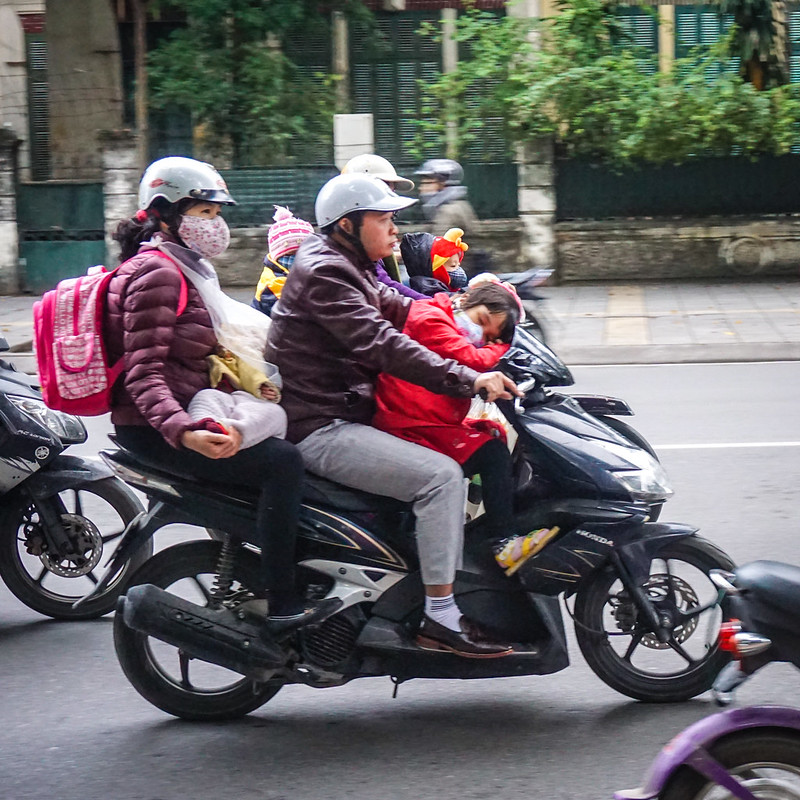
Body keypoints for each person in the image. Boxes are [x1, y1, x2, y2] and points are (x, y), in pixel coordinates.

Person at [265, 172, 521, 658]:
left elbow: (403, 310)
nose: (393, 230)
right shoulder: (325, 272)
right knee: (442, 478)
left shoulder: (349, 265)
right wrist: (468, 378)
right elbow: (382, 344)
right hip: (321, 424)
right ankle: (440, 618)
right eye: (382, 219)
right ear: (347, 223)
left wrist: (461, 318)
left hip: (346, 409)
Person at [106, 155, 338, 631]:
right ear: (167, 215)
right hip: (155, 426)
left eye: (217, 214)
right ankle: (284, 600)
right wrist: (185, 432)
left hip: (181, 404)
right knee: (283, 463)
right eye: (205, 214)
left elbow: (195, 351)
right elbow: (143, 373)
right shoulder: (159, 274)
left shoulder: (182, 267)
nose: (217, 225)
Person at [341, 153, 426, 300]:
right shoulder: (344, 256)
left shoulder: (365, 242)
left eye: (391, 192)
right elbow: (386, 288)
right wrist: (443, 306)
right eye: (381, 190)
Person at [252, 205, 314, 316]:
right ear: (277, 256)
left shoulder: (299, 274)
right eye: (290, 254)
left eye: (303, 252)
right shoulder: (275, 284)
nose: (297, 258)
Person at [415, 158, 480, 236]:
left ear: (443, 184)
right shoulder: (457, 204)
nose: (421, 188)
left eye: (428, 183)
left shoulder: (448, 211)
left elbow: (438, 242)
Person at [401, 227, 470, 296]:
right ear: (434, 269)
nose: (459, 270)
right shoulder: (428, 289)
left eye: (458, 265)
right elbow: (447, 299)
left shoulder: (446, 287)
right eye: (453, 266)